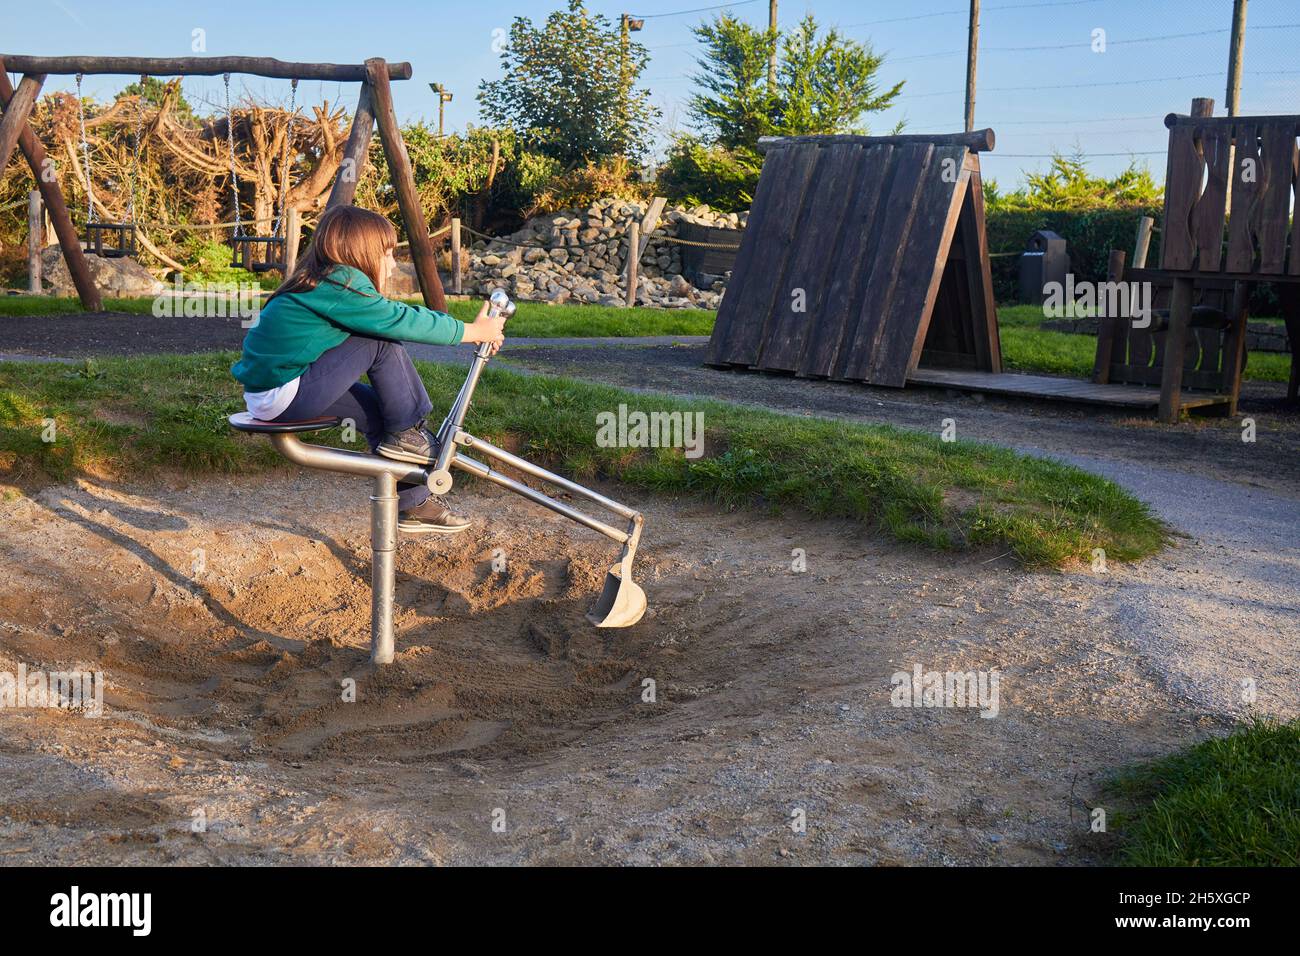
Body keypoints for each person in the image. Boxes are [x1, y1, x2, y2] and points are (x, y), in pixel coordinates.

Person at [231, 205, 506, 534]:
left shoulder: (322, 282)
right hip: (285, 392)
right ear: (358, 252)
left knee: (380, 415)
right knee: (380, 341)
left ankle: (414, 502)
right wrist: (472, 332)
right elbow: (400, 320)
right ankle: (410, 432)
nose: (391, 264)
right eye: (387, 253)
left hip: (280, 391)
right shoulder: (340, 282)